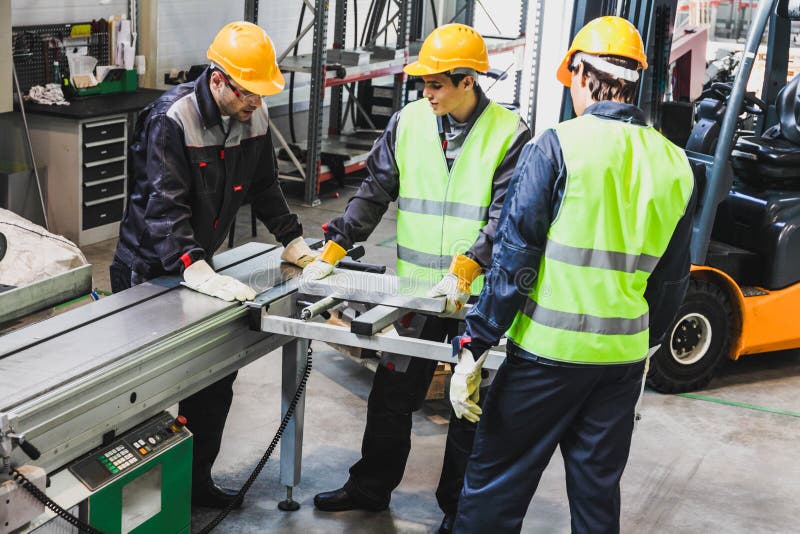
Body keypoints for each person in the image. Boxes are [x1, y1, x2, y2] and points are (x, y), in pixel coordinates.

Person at [449, 16, 697, 533]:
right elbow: (672, 281)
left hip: (548, 355)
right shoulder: (676, 164)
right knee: (595, 493)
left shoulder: (558, 146)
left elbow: (515, 257)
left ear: (582, 73)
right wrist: (642, 348)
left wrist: (475, 338)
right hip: (622, 363)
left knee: (496, 484)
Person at [301, 23, 530, 533]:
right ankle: (370, 487)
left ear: (467, 80)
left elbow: (507, 216)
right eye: (422, 83)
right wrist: (336, 246)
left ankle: (460, 509)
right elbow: (375, 189)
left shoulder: (510, 134)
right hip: (415, 294)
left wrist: (470, 266)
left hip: (476, 298)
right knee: (390, 394)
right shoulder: (408, 122)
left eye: (435, 84)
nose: (425, 93)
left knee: (468, 403)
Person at [110, 21, 317, 509]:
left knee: (214, 377)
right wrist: (193, 265)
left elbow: (265, 187)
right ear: (219, 79)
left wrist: (293, 241)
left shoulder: (254, 116)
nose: (256, 104)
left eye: (260, 95)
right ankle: (130, 496)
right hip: (147, 267)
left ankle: (194, 485)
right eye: (248, 93)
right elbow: (164, 206)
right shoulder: (171, 119)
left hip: (200, 264)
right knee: (136, 390)